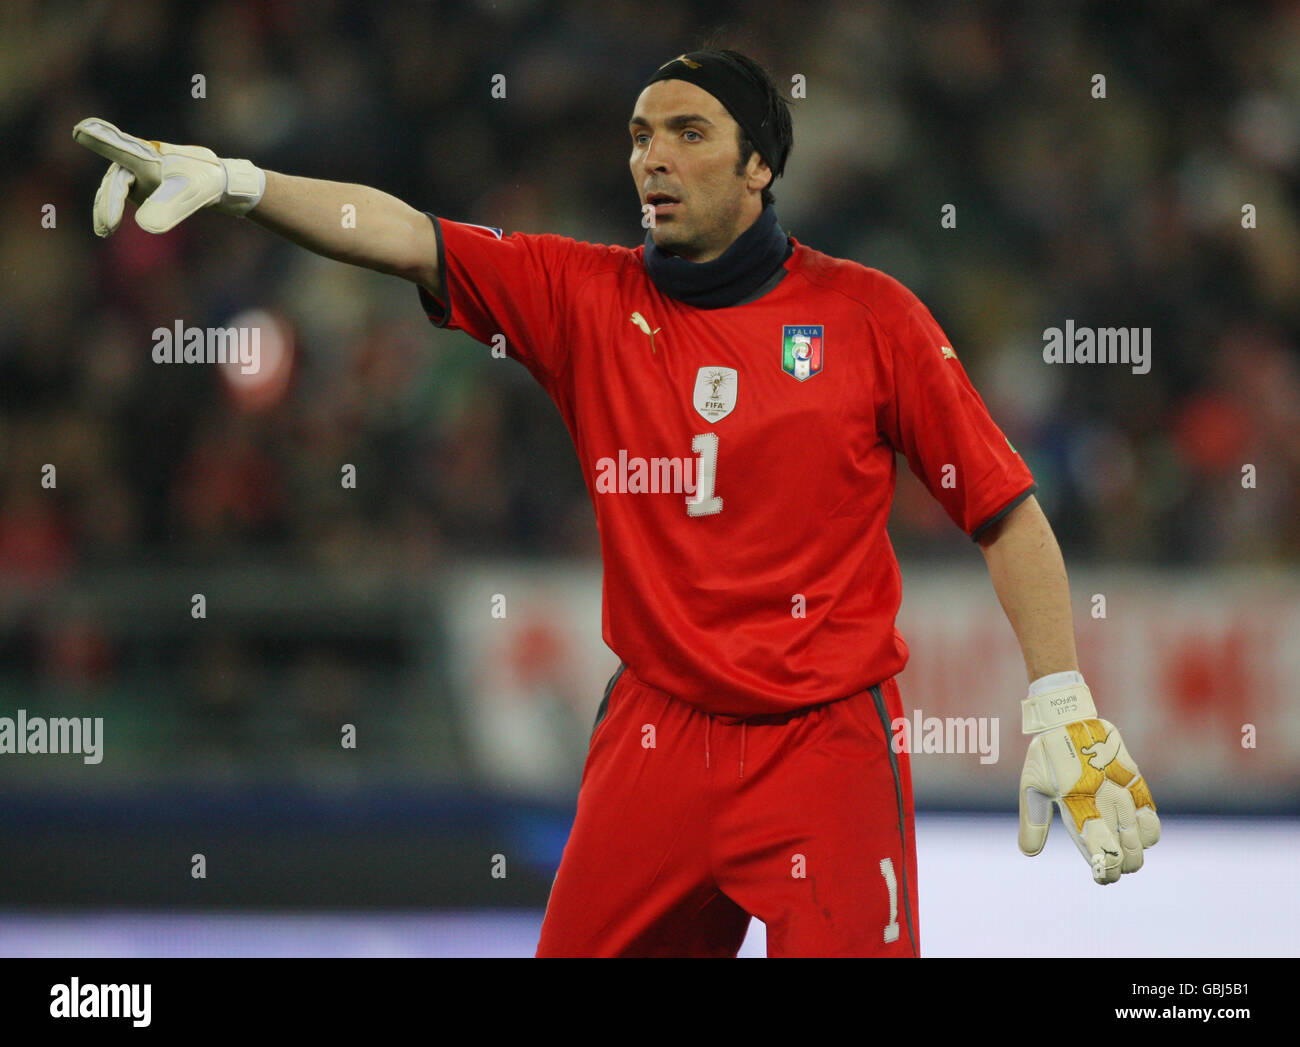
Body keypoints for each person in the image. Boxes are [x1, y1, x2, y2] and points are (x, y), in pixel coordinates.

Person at [73, 48, 1159, 958]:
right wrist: (241, 183)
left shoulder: (870, 317)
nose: (652, 157)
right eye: (640, 135)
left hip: (824, 744)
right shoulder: (582, 297)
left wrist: (1060, 696)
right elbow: (402, 231)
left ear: (760, 164)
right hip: (656, 737)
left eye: (688, 131)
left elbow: (1006, 511)